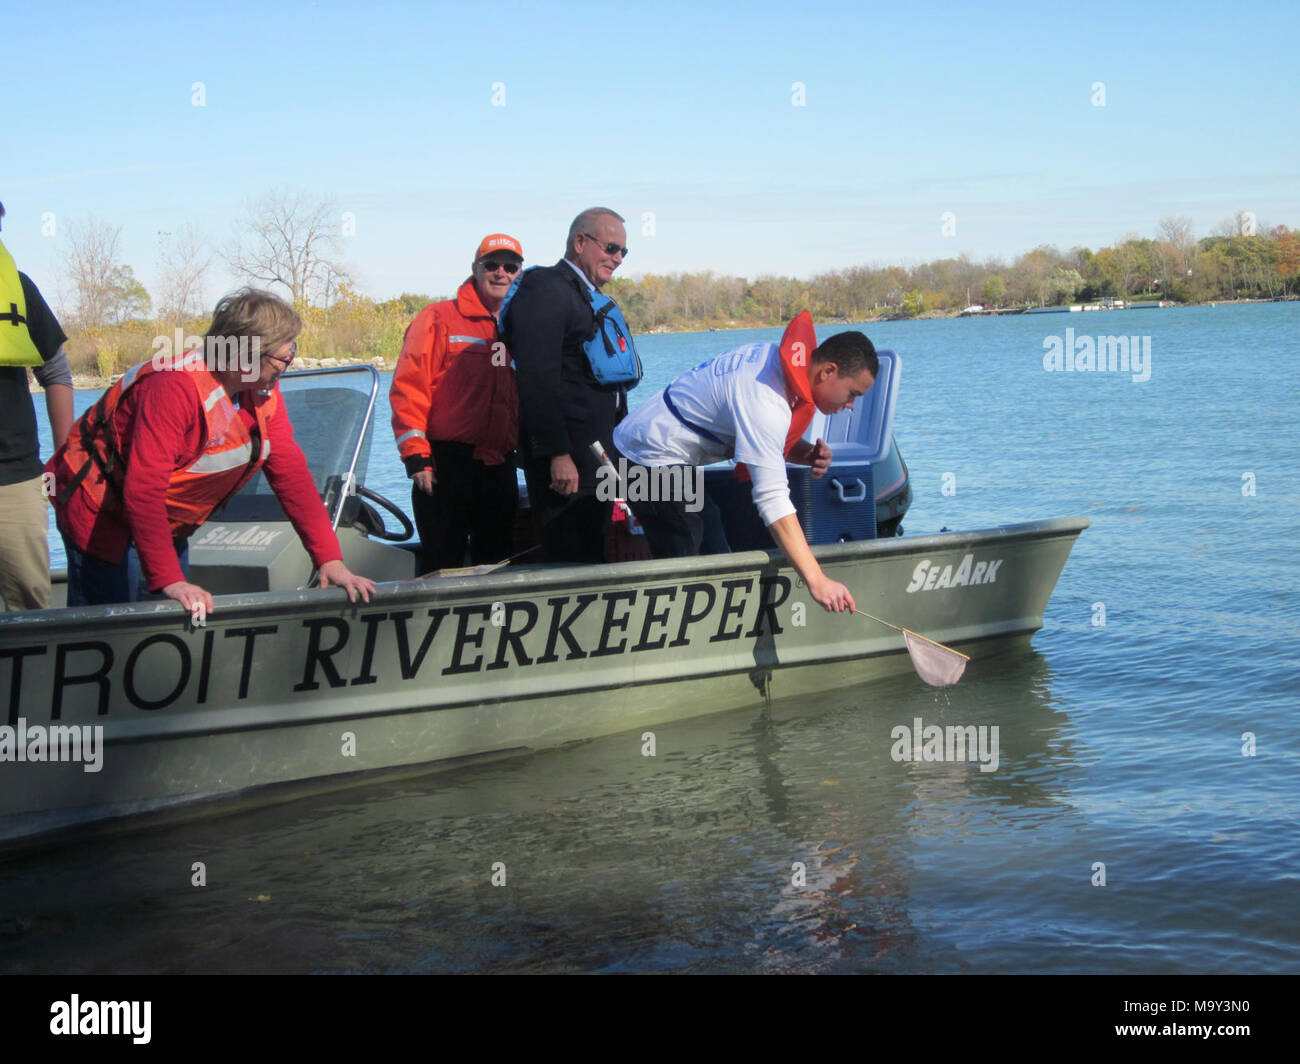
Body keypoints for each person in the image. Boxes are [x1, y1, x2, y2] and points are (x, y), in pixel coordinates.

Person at [47, 288, 374, 615]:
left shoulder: (260, 393)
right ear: (248, 354)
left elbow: (291, 477)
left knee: (171, 621)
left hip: (169, 520)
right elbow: (144, 491)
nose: (290, 361)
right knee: (110, 625)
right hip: (99, 508)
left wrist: (329, 559)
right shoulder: (173, 387)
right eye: (284, 355)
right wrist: (169, 579)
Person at [612, 313, 877, 613]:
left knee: (710, 532)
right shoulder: (767, 400)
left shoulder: (770, 358)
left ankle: (712, 619)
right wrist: (817, 580)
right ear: (828, 371)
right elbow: (773, 500)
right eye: (853, 394)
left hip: (656, 446)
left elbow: (758, 438)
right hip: (642, 454)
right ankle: (671, 627)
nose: (851, 405)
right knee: (688, 541)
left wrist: (804, 453)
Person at [503, 207, 632, 563]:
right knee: (570, 558)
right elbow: (536, 379)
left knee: (592, 550)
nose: (618, 258)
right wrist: (557, 454)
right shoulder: (544, 289)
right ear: (580, 242)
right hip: (568, 460)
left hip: (597, 455)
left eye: (624, 251)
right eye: (610, 247)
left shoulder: (584, 295)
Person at [390, 233, 522, 572]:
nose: (501, 273)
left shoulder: (518, 326)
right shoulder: (437, 318)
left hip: (499, 467)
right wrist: (417, 458)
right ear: (475, 269)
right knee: (442, 568)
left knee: (496, 569)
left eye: (511, 266)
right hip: (444, 467)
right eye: (491, 265)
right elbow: (410, 388)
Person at [0, 200, 74, 611]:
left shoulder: (19, 287)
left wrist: (63, 457)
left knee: (30, 605)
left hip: (14, 480)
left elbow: (57, 373)